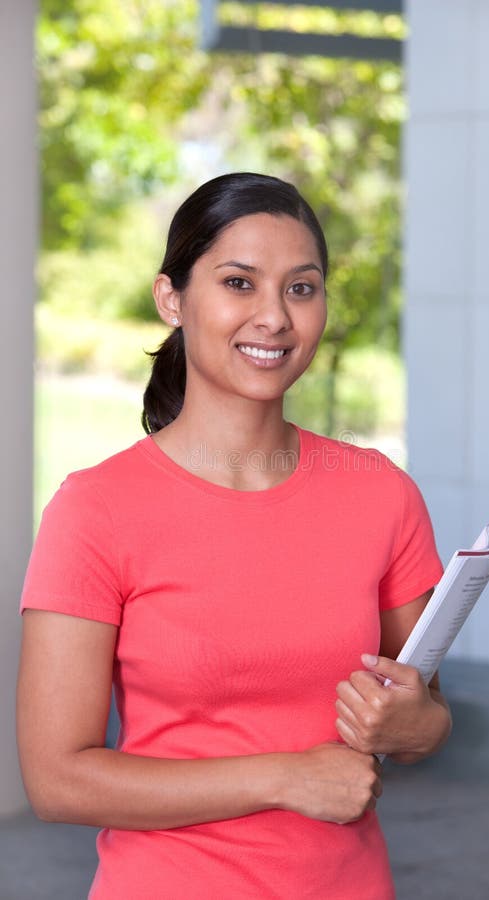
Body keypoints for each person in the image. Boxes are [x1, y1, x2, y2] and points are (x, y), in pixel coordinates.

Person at [17, 172, 451, 899]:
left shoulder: (381, 493)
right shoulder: (95, 510)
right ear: (172, 299)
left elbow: (426, 718)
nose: (275, 317)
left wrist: (417, 727)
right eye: (239, 283)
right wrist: (283, 779)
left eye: (301, 288)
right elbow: (58, 779)